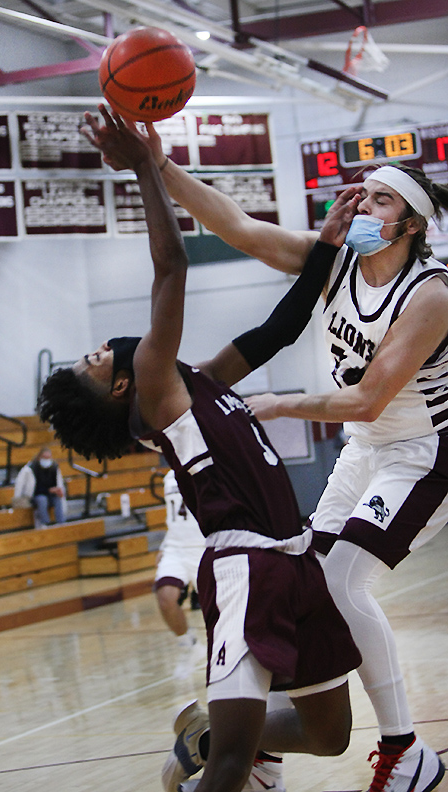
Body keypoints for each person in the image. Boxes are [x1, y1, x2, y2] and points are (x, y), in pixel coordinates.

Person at [37, 105, 363, 792]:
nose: (98, 348)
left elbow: (277, 330)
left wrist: (327, 246)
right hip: (248, 570)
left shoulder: (198, 383)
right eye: (94, 361)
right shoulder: (155, 395)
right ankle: (215, 748)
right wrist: (143, 171)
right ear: (123, 385)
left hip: (297, 557)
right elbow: (171, 265)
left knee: (329, 737)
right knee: (232, 769)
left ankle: (206, 729)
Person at [140, 129, 448, 792]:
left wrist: (277, 405)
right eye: (364, 195)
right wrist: (157, 164)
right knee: (303, 581)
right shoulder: (333, 260)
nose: (366, 208)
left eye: (384, 201)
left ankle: (405, 753)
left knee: (341, 582)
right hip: (364, 451)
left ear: (414, 223)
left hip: (421, 453)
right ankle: (264, 754)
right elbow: (237, 226)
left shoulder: (432, 295)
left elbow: (367, 399)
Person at [154, 469, 206, 678]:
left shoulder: (204, 467)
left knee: (220, 610)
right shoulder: (168, 477)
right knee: (165, 598)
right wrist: (165, 545)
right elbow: (174, 517)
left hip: (205, 545)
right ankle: (189, 646)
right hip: (176, 547)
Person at [13, 447, 67, 528]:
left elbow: (59, 484)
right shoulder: (30, 468)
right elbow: (20, 484)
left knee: (58, 499)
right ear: (39, 457)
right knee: (42, 499)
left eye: (48, 458)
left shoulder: (54, 468)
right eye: (45, 457)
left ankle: (61, 523)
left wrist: (59, 491)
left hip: (50, 495)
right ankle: (45, 523)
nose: (46, 460)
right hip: (35, 495)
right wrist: (17, 499)